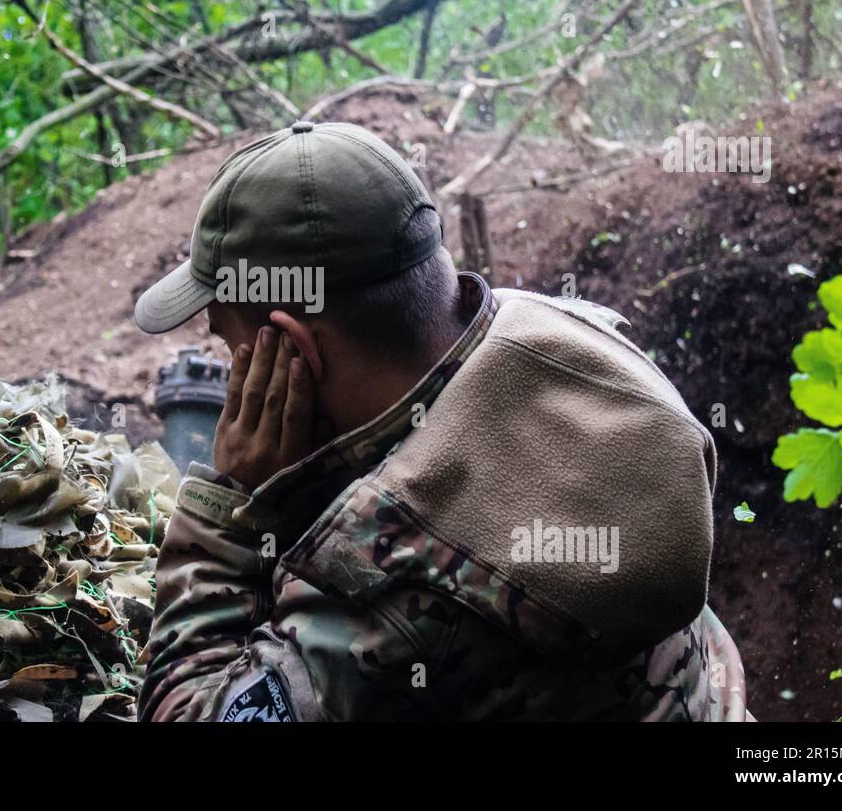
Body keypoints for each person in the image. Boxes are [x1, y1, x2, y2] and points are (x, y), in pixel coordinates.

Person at [132, 120, 748, 721]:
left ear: (290, 348)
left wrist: (235, 512)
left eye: (225, 339)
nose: (227, 361)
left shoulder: (393, 593)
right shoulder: (554, 336)